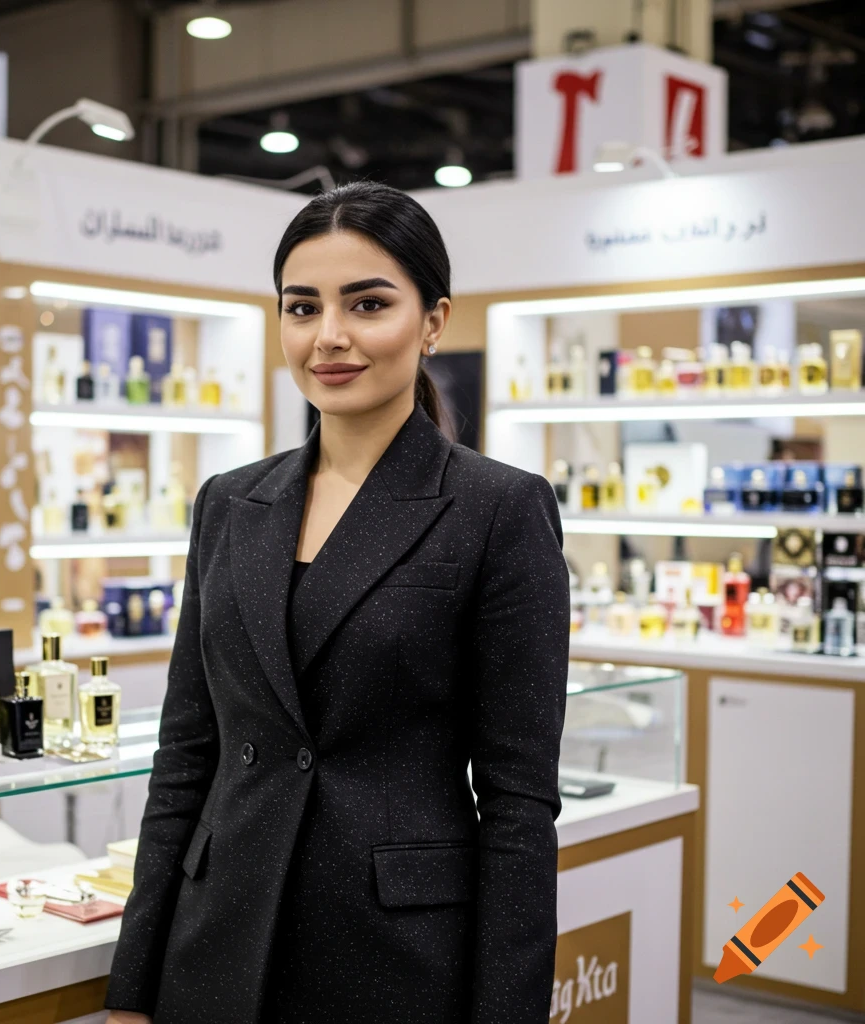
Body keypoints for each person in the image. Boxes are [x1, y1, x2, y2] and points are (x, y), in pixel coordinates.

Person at [105, 181, 570, 1024]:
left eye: (368, 303)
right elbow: (185, 759)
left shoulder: (498, 508)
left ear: (434, 322)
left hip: (394, 957)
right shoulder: (229, 502)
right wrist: (134, 984)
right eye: (302, 306)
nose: (330, 337)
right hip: (219, 941)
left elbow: (519, 802)